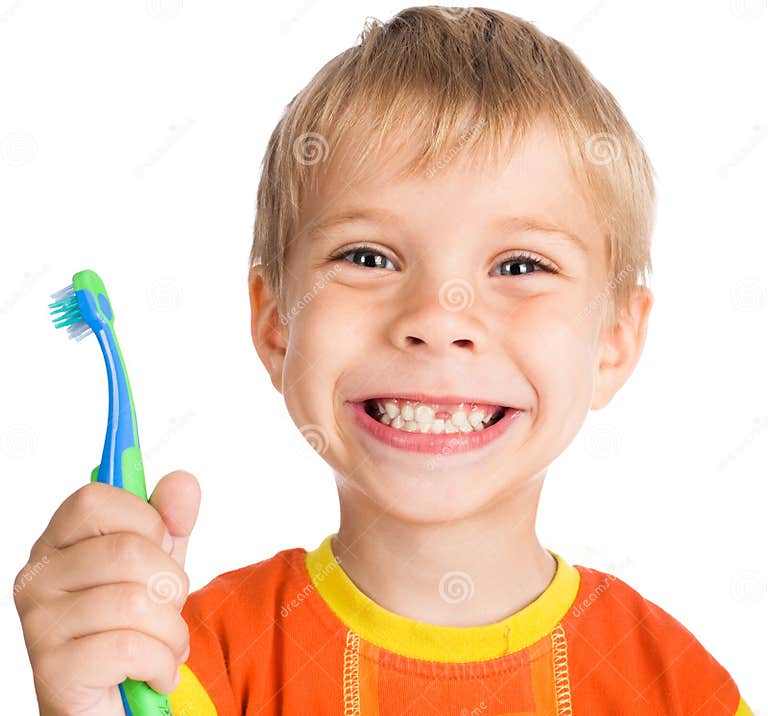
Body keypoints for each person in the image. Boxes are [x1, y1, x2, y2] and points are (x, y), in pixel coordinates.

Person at [14, 6, 753, 714]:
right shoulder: (179, 665)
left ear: (616, 339)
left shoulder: (678, 687)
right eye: (368, 257)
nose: (437, 318)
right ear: (276, 323)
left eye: (522, 265)